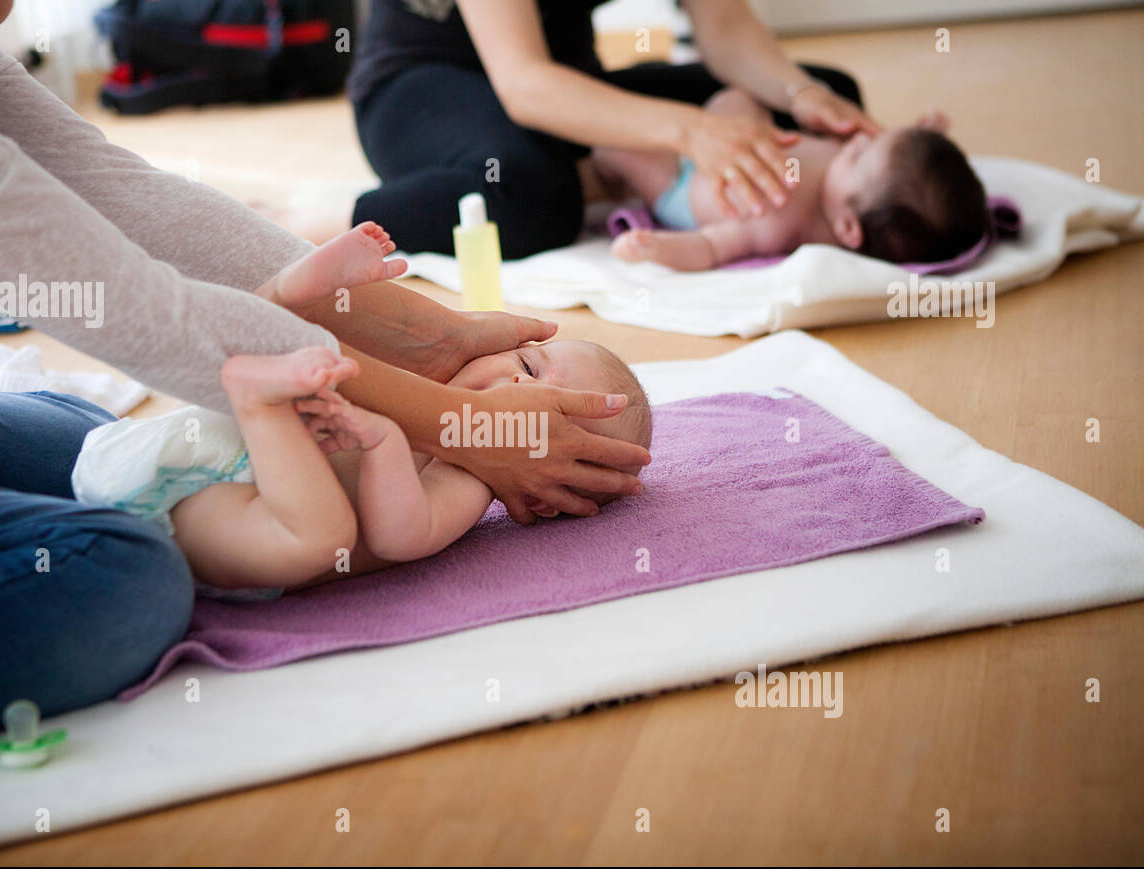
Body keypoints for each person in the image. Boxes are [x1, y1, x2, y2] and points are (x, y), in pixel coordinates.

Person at [0, 0, 648, 781]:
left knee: (86, 436)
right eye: (531, 371)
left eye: (536, 387)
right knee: (124, 576)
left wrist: (432, 346)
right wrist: (457, 420)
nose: (515, 380)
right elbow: (131, 307)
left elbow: (118, 195)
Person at [71, 223, 653, 592]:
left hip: (206, 521)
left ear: (543, 483)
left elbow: (402, 537)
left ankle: (277, 330)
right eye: (527, 365)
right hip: (198, 441)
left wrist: (383, 447)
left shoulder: (466, 483)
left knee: (322, 539)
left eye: (546, 413)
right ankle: (288, 300)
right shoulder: (416, 395)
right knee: (299, 371)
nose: (514, 387)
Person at [338, 0, 881, 258]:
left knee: (827, 90)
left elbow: (727, 27)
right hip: (423, 88)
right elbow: (523, 83)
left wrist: (802, 95)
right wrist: (689, 133)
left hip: (567, 88)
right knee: (534, 197)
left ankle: (605, 171)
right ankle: (325, 220)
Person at [604, 91, 988, 269]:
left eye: (859, 155)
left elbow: (710, 246)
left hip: (685, 182)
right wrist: (920, 139)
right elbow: (890, 167)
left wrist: (654, 247)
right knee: (739, 96)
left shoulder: (776, 222)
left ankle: (604, 173)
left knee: (618, 150)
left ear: (848, 228)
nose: (855, 141)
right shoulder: (849, 182)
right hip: (735, 134)